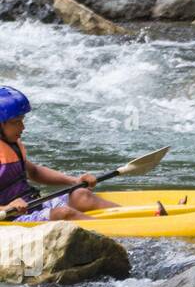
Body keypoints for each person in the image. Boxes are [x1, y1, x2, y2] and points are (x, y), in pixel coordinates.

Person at [0, 85, 118, 221]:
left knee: (80, 194)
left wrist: (74, 181)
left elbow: (35, 172)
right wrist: (7, 208)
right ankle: (115, 233)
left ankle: (131, 218)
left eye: (22, 120)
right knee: (63, 214)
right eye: (16, 122)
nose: (22, 127)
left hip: (32, 203)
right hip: (10, 217)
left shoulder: (11, 144)